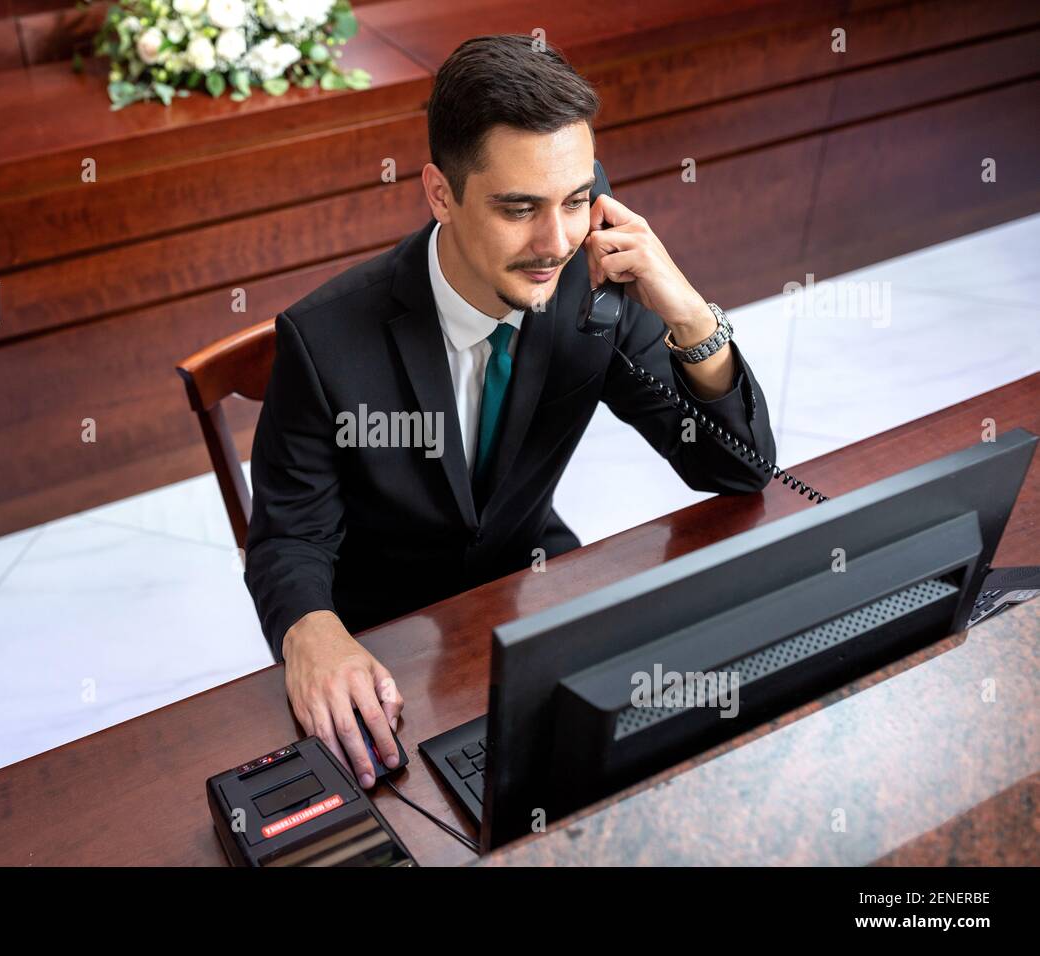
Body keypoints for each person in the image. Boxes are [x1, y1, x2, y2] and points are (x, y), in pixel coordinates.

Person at [244, 34, 776, 788]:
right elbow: (287, 541)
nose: (554, 243)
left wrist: (687, 310)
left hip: (533, 593)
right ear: (440, 194)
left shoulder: (592, 288)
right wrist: (311, 632)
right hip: (385, 643)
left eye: (576, 200)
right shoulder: (323, 341)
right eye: (519, 208)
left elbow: (738, 467)